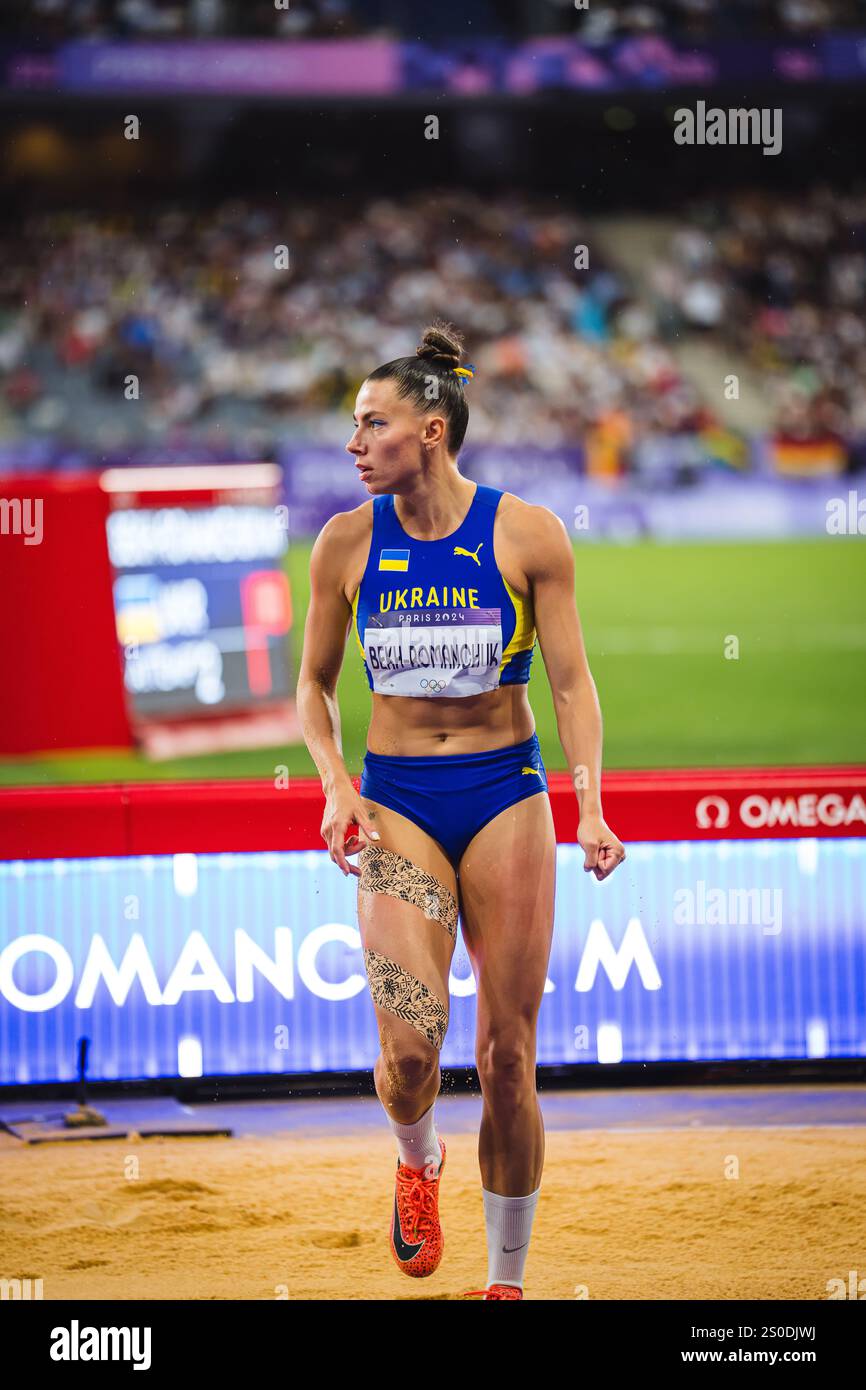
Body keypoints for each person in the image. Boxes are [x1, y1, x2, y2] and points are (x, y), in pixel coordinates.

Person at [297, 320, 626, 1300]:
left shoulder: (527, 533)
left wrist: (590, 806)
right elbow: (311, 688)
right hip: (395, 804)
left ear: (430, 428)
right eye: (354, 426)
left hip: (503, 797)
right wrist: (332, 784)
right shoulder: (345, 542)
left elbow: (570, 684)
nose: (353, 443)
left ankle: (505, 1281)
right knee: (408, 1049)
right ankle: (417, 1160)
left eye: (371, 423)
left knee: (507, 1054)